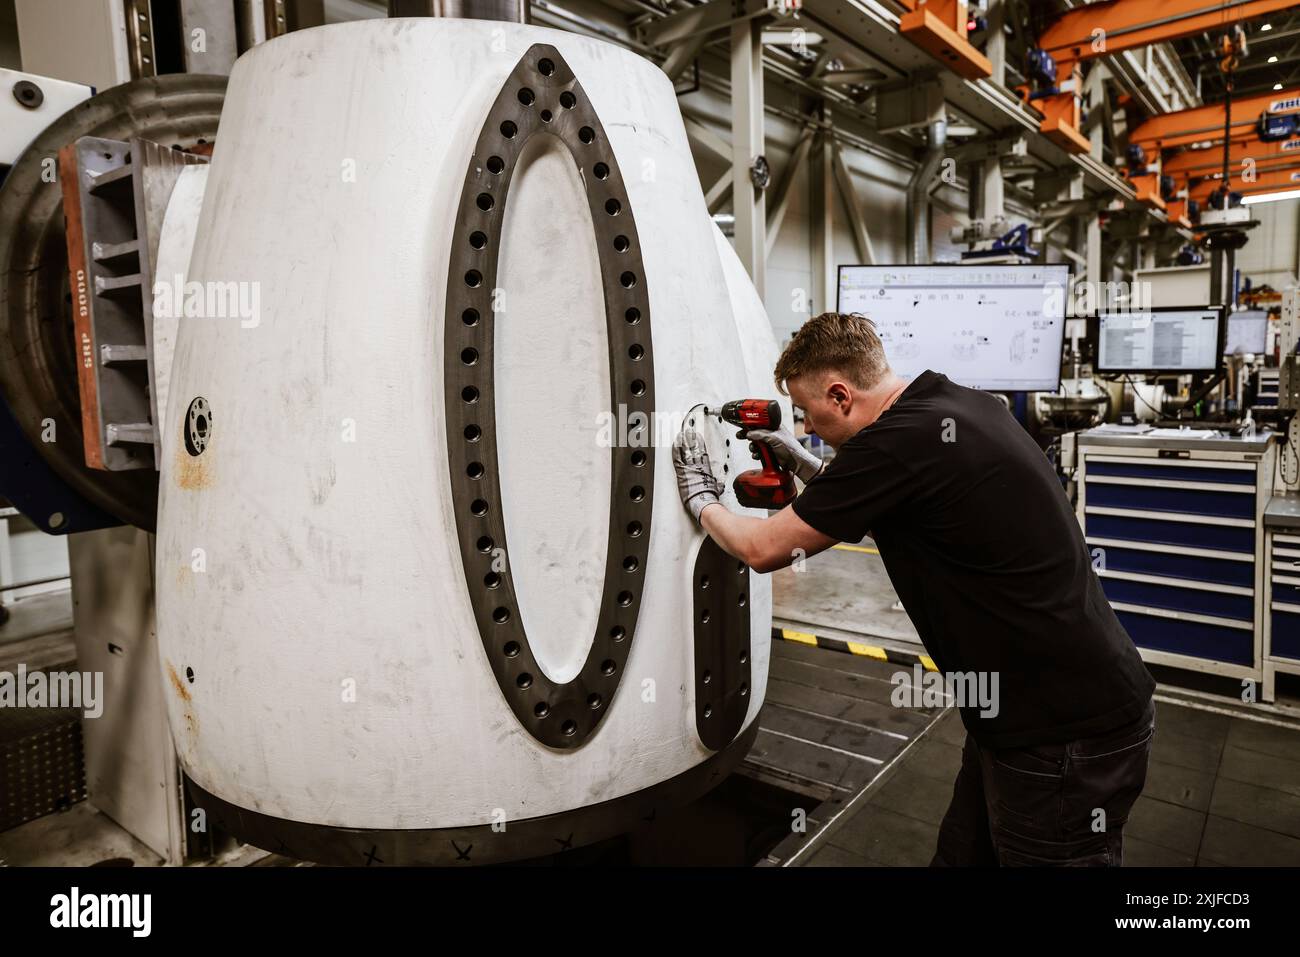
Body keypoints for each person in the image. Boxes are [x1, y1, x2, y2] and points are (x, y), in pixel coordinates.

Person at [673, 311, 1155, 867]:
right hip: (1022, 717)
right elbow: (901, 501)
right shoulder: (950, 404)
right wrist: (807, 465)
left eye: (806, 415)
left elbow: (763, 550)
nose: (804, 428)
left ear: (840, 395)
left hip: (1064, 734)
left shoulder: (894, 446)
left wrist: (699, 495)